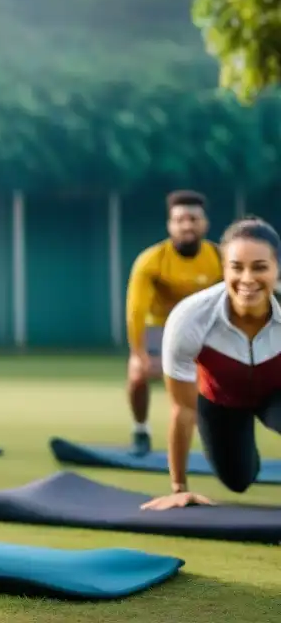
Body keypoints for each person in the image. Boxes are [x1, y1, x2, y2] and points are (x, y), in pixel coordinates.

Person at [141, 217, 281, 510]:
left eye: (260, 267)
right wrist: (179, 488)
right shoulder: (190, 318)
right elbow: (182, 407)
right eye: (236, 267)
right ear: (223, 268)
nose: (247, 279)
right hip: (220, 401)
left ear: (276, 269)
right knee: (238, 479)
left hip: (275, 395)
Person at [124, 190, 223, 456]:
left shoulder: (219, 258)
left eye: (193, 219)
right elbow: (136, 310)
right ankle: (141, 430)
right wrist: (139, 353)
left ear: (205, 224)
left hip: (203, 331)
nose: (187, 225)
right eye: (180, 219)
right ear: (170, 225)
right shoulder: (151, 261)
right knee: (136, 375)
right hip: (160, 330)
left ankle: (220, 438)